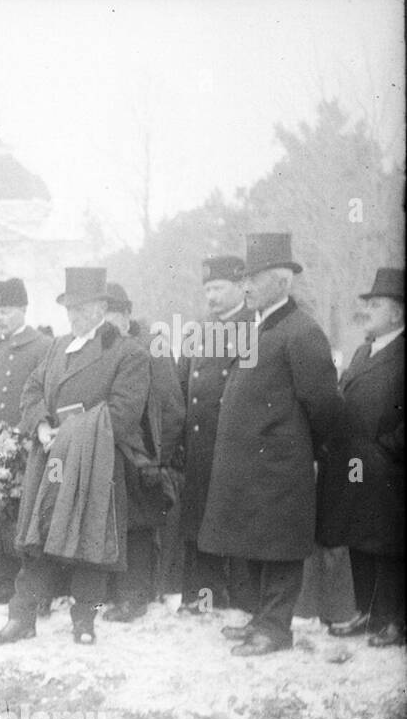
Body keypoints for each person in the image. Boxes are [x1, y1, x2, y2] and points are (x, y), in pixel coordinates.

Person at [0, 267, 151, 646]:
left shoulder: (127, 353)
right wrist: (42, 426)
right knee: (37, 539)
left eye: (80, 308)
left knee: (88, 542)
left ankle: (84, 621)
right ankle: (22, 617)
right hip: (50, 459)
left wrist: (71, 433)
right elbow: (31, 390)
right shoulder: (59, 347)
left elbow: (124, 412)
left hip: (96, 462)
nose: (73, 316)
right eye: (68, 308)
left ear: (100, 307)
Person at [198, 233, 344, 656]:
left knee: (281, 546)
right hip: (253, 464)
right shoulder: (258, 326)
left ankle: (277, 629)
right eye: (243, 278)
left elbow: (324, 404)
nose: (246, 287)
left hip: (282, 463)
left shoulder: (302, 332)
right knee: (258, 542)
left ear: (282, 282)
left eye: (254, 279)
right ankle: (262, 619)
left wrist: (311, 454)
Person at [319, 267, 404, 646]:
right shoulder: (363, 350)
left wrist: (387, 449)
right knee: (359, 532)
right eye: (367, 303)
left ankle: (394, 619)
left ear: (398, 313)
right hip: (354, 464)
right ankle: (367, 612)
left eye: (377, 303)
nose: (368, 309)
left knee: (387, 540)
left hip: (389, 467)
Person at [0, 281, 53, 602]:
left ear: (23, 310)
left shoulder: (42, 346)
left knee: (27, 519)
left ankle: (35, 589)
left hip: (25, 448)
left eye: (5, 311)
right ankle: (6, 581)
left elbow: (46, 396)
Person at [103, 283, 184, 622]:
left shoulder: (152, 347)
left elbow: (171, 408)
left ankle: (135, 596)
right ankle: (108, 594)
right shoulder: (97, 349)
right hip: (105, 450)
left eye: (111, 314)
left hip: (140, 453)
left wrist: (157, 457)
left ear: (126, 315)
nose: (105, 323)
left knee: (136, 523)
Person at [176, 255, 251, 616]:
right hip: (198, 444)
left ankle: (240, 600)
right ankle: (203, 597)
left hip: (235, 445)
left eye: (218, 287)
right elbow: (181, 387)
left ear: (240, 286)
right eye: (207, 289)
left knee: (233, 522)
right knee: (200, 521)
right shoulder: (198, 329)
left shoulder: (253, 326)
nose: (211, 296)